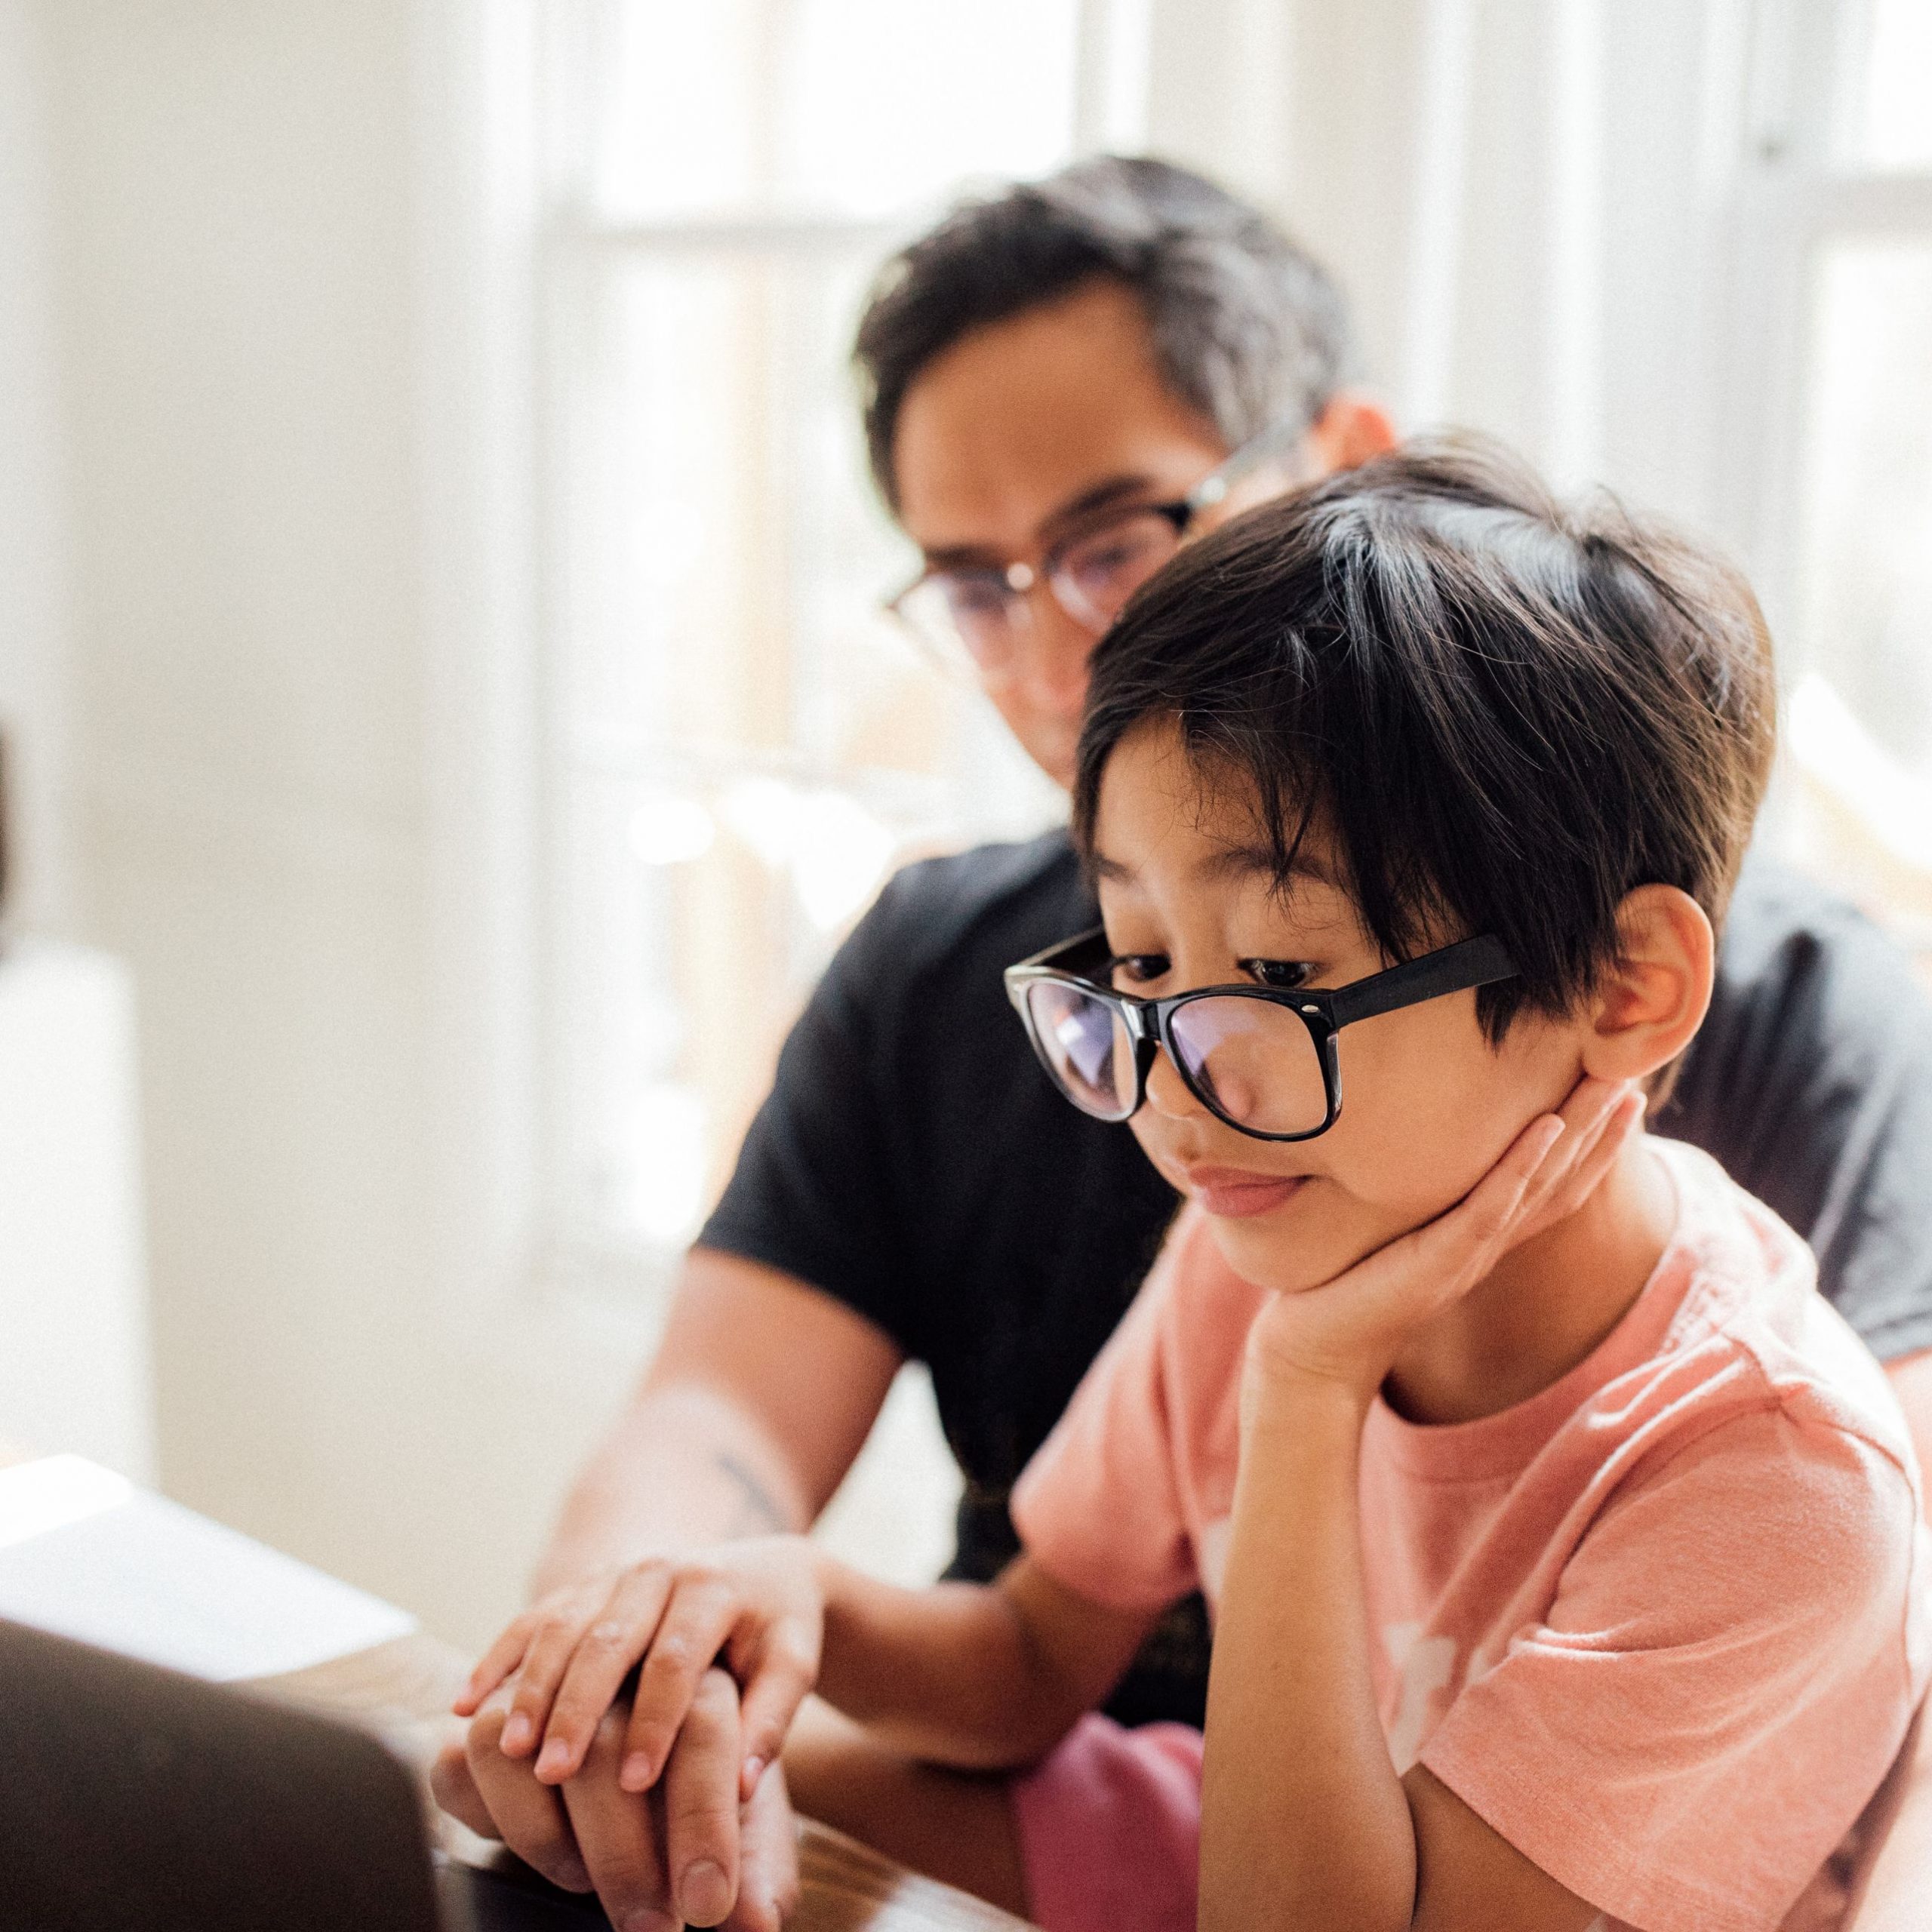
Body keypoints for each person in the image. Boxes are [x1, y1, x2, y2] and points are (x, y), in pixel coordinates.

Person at [430, 159, 1932, 1930]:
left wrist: (1302, 1391)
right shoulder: (1256, 1210)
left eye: (1279, 969)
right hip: (1231, 1827)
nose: (1172, 1088)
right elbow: (1017, 1665)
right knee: (581, 1839)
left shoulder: (1770, 1468)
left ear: (1622, 989)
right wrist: (783, 1594)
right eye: (1137, 962)